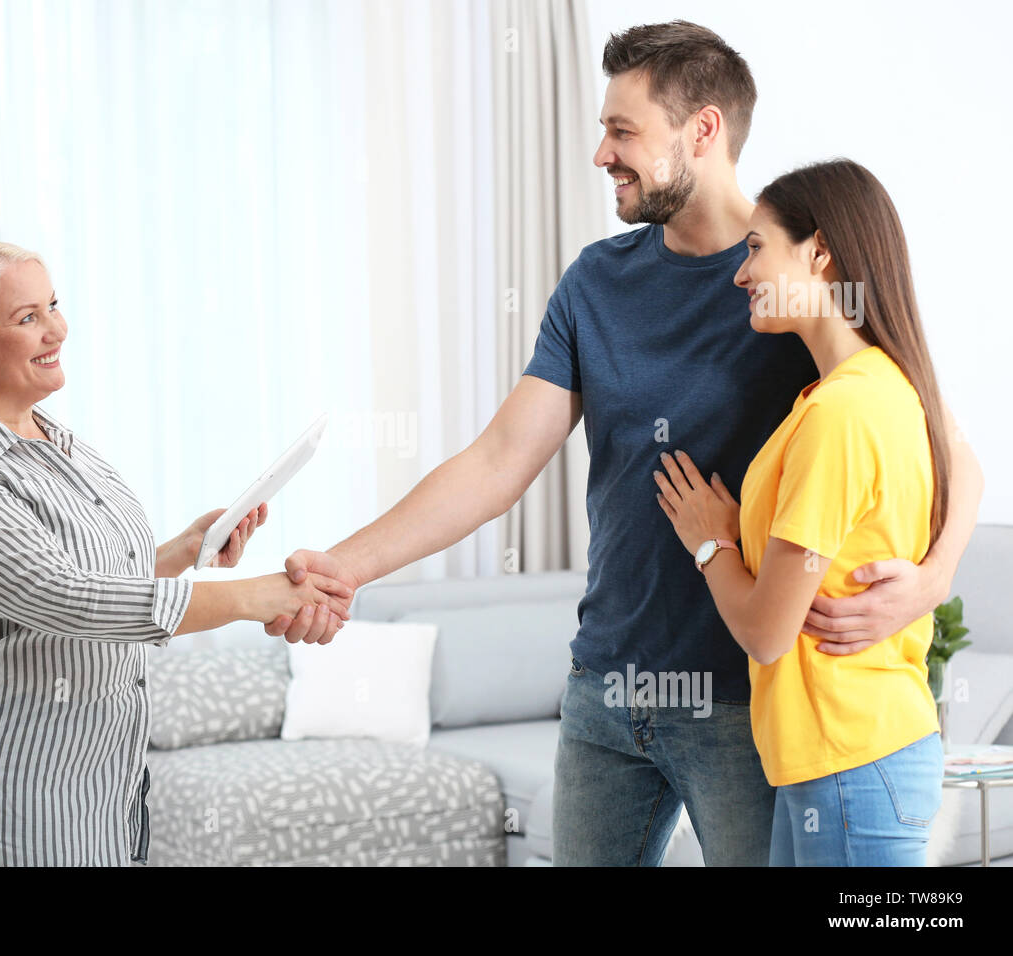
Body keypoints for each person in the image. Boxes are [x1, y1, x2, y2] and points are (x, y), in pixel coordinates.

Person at [265, 22, 983, 865]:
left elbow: (939, 442)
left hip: (743, 705)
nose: (602, 152)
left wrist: (930, 582)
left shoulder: (790, 279)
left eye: (622, 130)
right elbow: (499, 461)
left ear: (702, 131)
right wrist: (347, 567)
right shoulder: (596, 283)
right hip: (606, 688)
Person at [0, 239, 352, 866]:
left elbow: (97, 582)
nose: (57, 329)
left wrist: (184, 549)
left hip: (103, 792)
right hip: (13, 801)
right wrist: (252, 598)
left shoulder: (64, 445)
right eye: (28, 318)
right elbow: (63, 599)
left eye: (54, 306)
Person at [654, 159, 954, 865]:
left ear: (818, 253)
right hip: (834, 761)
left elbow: (765, 631)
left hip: (852, 756)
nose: (740, 274)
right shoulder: (862, 390)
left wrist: (710, 544)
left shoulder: (843, 413)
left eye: (756, 248)